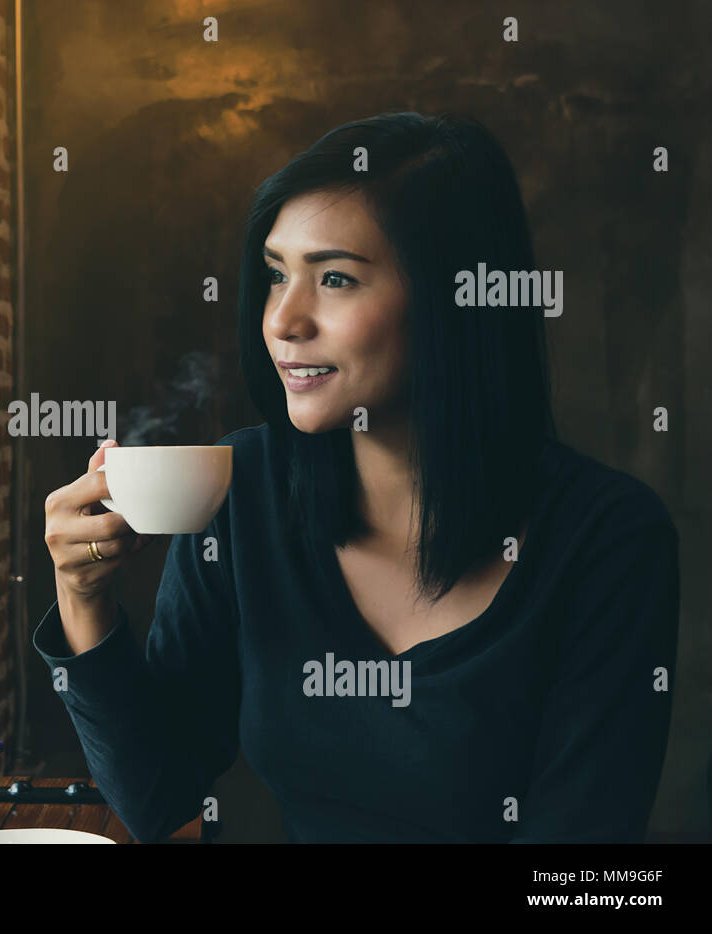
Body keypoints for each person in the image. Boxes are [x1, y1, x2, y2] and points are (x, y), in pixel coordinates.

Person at [36, 112, 680, 843]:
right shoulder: (242, 490)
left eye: (335, 278)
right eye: (277, 274)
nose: (282, 319)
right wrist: (83, 597)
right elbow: (159, 798)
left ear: (454, 299)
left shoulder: (608, 538)